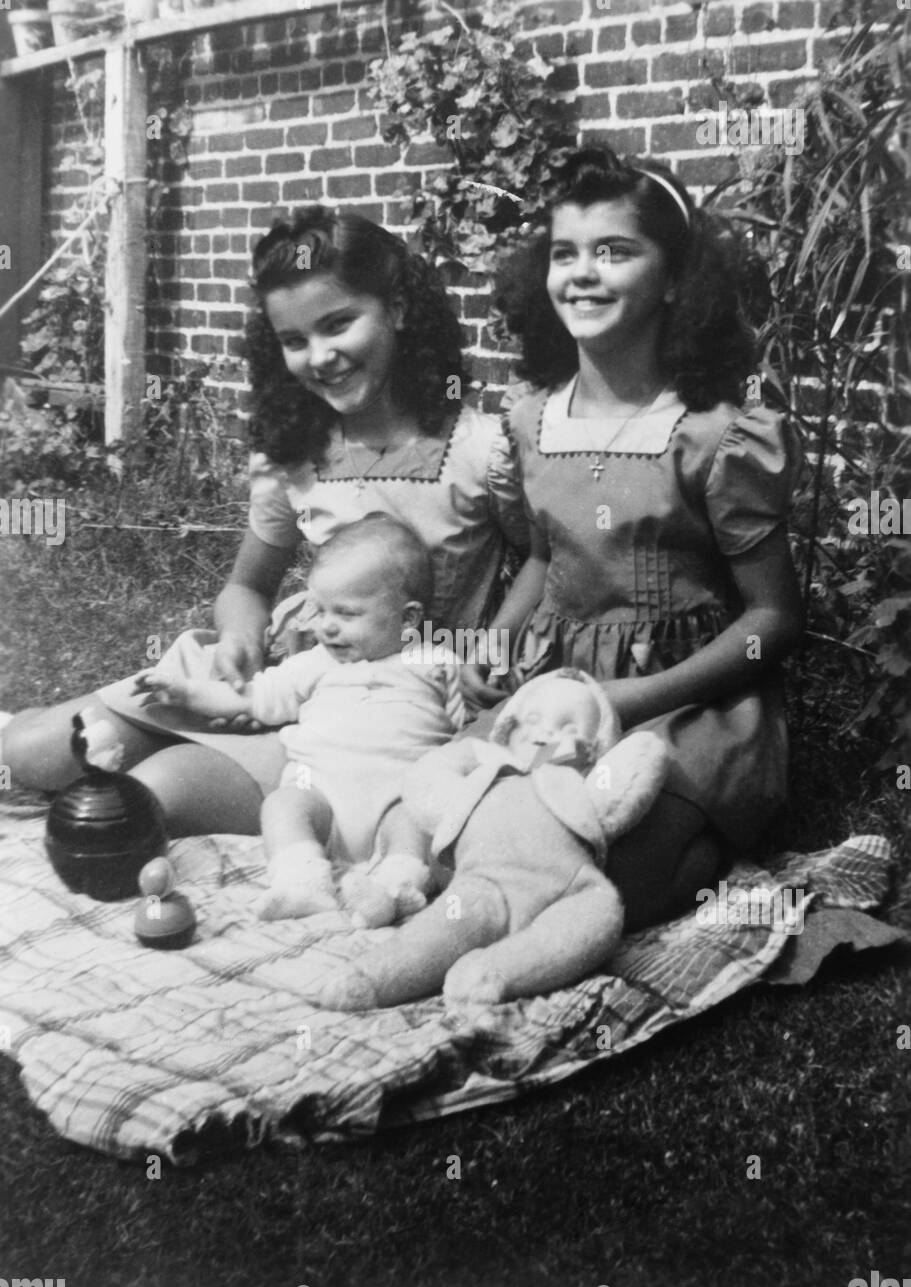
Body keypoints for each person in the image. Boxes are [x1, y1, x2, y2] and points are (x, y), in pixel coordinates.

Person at [3, 208, 527, 830]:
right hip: (276, 673)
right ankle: (175, 733)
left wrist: (488, 647)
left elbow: (540, 561)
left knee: (154, 793)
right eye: (295, 340)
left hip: (375, 709)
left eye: (339, 325)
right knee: (28, 753)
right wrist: (240, 640)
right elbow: (247, 586)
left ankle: (195, 758)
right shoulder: (294, 455)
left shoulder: (479, 450)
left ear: (399, 311)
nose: (321, 356)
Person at [482, 146, 805, 929]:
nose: (582, 273)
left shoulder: (714, 435)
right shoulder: (531, 421)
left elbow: (773, 620)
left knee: (615, 867)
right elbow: (540, 557)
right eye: (564, 254)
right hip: (558, 690)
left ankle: (700, 847)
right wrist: (492, 644)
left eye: (614, 251)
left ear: (673, 280)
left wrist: (634, 699)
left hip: (688, 700)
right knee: (481, 830)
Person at [139, 516, 464, 920]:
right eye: (321, 610)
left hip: (398, 797)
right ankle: (302, 882)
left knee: (416, 819)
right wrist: (185, 691)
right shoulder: (313, 664)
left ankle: (395, 887)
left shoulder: (438, 663)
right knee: (282, 806)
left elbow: (462, 734)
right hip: (322, 797)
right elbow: (249, 696)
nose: (326, 626)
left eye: (346, 613)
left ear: (409, 618)